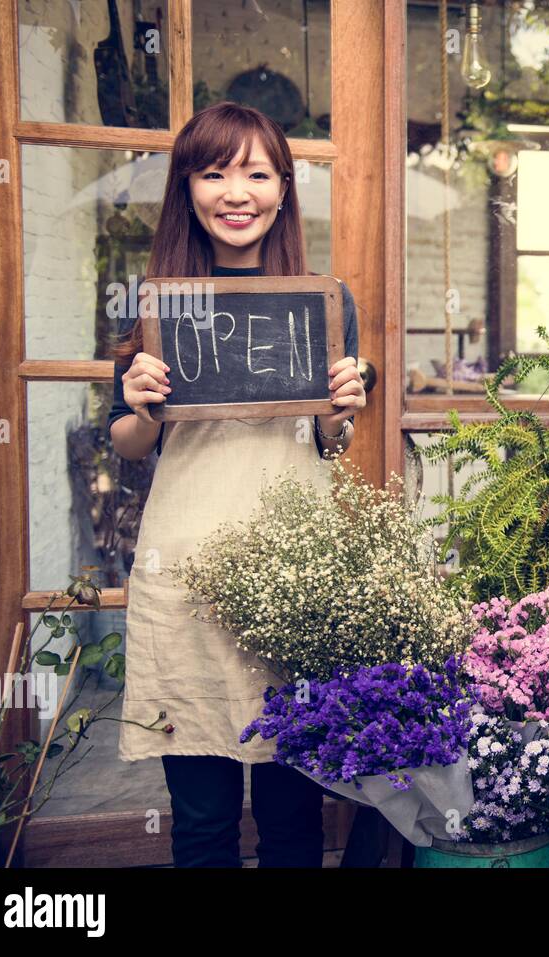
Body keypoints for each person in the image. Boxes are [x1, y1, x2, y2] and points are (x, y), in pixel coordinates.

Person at [109, 101, 367, 867]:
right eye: (214, 172)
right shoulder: (156, 303)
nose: (236, 191)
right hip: (183, 577)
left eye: (256, 172)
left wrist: (340, 410)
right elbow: (127, 446)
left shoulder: (325, 303)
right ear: (187, 188)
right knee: (203, 826)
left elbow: (330, 444)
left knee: (292, 824)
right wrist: (142, 403)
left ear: (283, 189)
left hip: (294, 579)